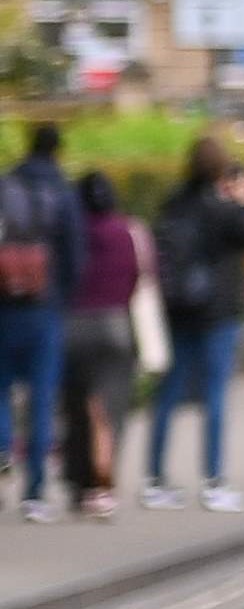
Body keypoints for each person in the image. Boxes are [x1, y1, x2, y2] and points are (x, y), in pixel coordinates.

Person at [142, 136, 244, 511]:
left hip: (178, 311)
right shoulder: (223, 209)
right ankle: (213, 481)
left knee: (168, 395)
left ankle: (155, 479)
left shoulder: (173, 204)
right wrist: (241, 200)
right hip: (217, 313)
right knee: (215, 396)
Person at [56, 173, 141, 519]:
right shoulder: (123, 231)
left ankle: (79, 484)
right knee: (110, 412)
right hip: (114, 324)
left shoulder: (71, 234)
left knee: (76, 409)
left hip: (72, 325)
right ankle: (103, 484)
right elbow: (136, 275)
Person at [0, 124, 67, 523]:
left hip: (4, 304)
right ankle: (35, 492)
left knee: (1, 389)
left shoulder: (6, 187)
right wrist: (62, 295)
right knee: (42, 399)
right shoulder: (60, 192)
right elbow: (75, 252)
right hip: (45, 307)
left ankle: (3, 449)